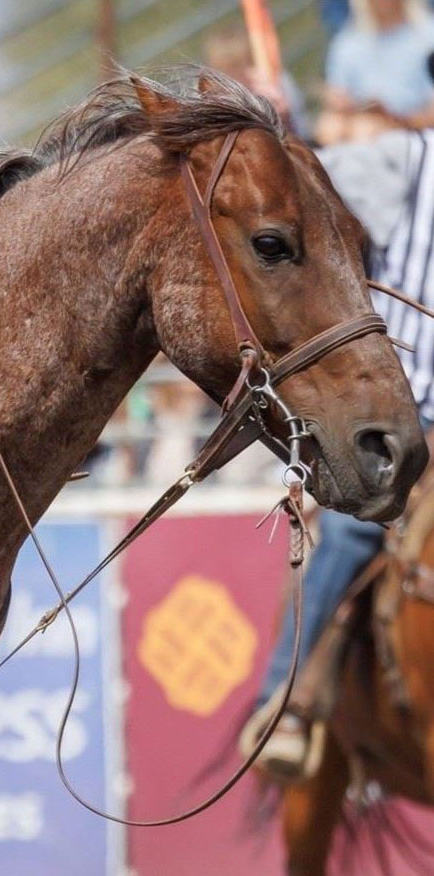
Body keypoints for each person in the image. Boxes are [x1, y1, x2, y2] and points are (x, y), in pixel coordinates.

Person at [240, 125, 434, 778]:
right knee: (353, 534)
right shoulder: (408, 157)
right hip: (402, 418)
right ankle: (285, 700)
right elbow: (295, 186)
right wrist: (291, 133)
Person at [317, 0, 434, 143]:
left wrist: (394, 119)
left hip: (413, 133)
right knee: (329, 127)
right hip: (361, 120)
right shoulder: (347, 43)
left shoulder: (428, 35)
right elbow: (337, 95)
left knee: (365, 130)